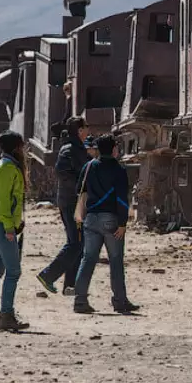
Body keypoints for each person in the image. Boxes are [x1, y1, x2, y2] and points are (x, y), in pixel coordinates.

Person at [73, 134, 138, 315]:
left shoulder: (88, 167)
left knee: (88, 259)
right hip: (111, 220)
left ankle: (80, 301)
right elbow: (122, 199)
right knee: (116, 261)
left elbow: (79, 190)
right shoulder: (119, 169)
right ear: (114, 149)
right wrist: (123, 223)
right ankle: (120, 301)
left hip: (91, 219)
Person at [37, 116, 90, 297]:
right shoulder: (69, 149)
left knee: (78, 243)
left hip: (75, 202)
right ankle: (48, 275)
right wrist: (79, 189)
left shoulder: (77, 148)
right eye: (86, 127)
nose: (88, 131)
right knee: (76, 243)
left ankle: (70, 285)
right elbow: (63, 172)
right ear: (80, 130)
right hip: (71, 203)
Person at [0, 130, 29, 332]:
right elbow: (3, 201)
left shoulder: (3, 166)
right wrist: (10, 227)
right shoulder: (8, 168)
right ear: (15, 147)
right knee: (13, 271)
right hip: (2, 225)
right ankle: (7, 315)